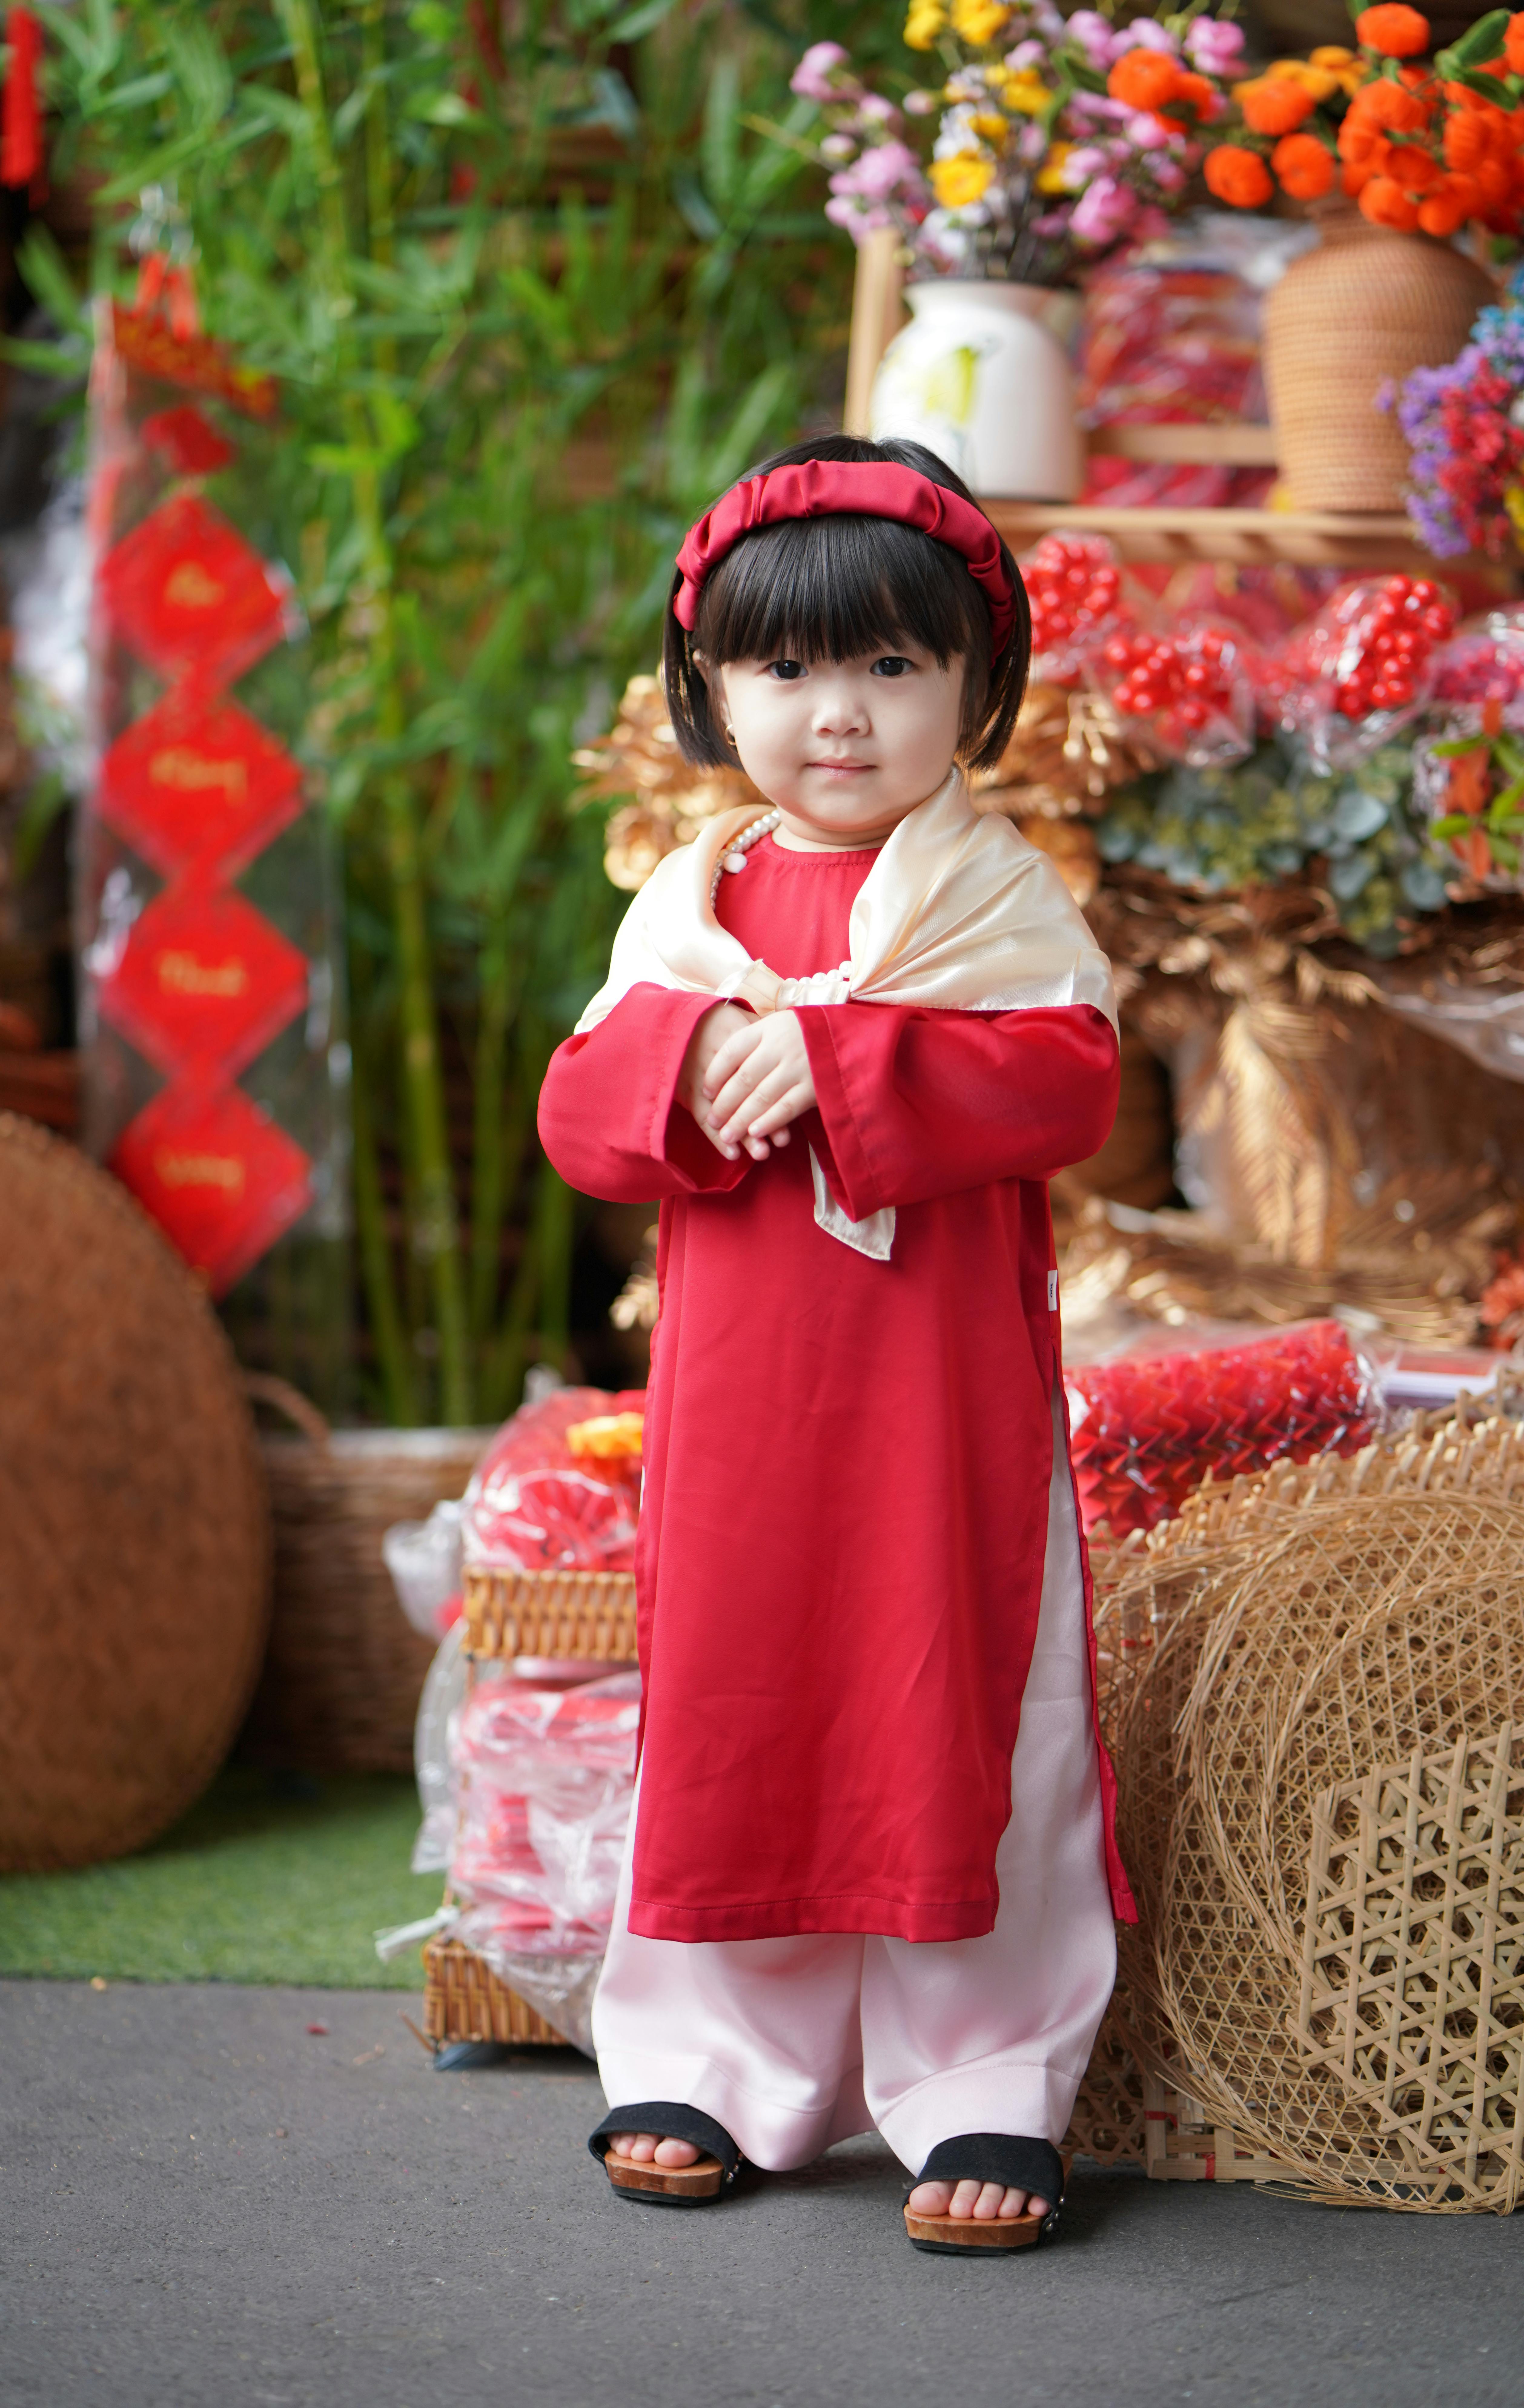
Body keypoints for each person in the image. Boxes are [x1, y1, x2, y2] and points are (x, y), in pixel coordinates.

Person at [537, 434, 1134, 2255]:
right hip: (744, 1403)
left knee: (955, 1691)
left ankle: (981, 2074)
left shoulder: (994, 896)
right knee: (742, 1691)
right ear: (707, 693)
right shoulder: (688, 911)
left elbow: (1069, 1078)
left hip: (933, 1393)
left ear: (975, 682)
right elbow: (581, 1112)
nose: (841, 716)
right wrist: (689, 1065)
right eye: (787, 670)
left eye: (891, 665)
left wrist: (846, 1057)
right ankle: (715, 2061)